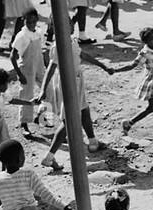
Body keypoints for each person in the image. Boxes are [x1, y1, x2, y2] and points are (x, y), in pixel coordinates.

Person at [37, 28, 127, 168]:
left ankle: (92, 142)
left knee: (84, 110)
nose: (72, 26)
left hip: (77, 80)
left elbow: (83, 55)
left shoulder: (71, 40)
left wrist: (103, 66)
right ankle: (49, 157)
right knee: (69, 121)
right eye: (68, 23)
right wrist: (43, 89)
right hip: (68, 83)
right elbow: (51, 67)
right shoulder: (57, 46)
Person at [10, 9, 46, 136]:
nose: (31, 24)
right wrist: (20, 74)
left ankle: (40, 116)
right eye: (28, 21)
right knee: (26, 96)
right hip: (27, 68)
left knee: (48, 89)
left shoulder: (39, 32)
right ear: (23, 20)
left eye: (34, 21)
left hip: (39, 66)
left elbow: (41, 50)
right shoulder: (21, 36)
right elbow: (12, 57)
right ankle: (24, 124)